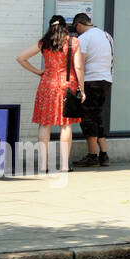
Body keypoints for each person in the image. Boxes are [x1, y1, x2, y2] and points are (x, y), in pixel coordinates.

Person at [15, 15, 84, 175]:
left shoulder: (44, 42)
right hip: (67, 84)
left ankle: (43, 165)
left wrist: (38, 72)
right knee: (65, 124)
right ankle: (65, 166)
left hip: (47, 84)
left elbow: (21, 58)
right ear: (65, 26)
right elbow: (78, 67)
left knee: (44, 124)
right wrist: (82, 88)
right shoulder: (73, 42)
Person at [70, 13, 113, 167]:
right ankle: (104, 155)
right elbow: (112, 59)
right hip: (106, 80)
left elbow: (79, 63)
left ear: (79, 25)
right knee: (98, 117)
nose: (76, 32)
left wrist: (81, 88)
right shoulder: (106, 36)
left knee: (87, 118)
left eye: (76, 29)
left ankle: (92, 155)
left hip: (90, 80)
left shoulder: (84, 38)